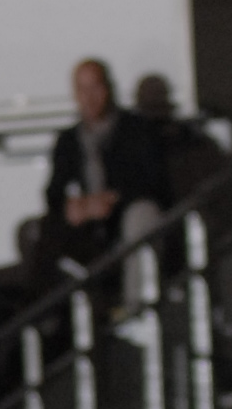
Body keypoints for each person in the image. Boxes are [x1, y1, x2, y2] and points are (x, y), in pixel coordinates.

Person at [38, 57, 169, 276]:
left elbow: (154, 183)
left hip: (124, 216)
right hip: (89, 226)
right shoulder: (69, 140)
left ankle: (136, 305)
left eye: (95, 88)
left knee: (141, 218)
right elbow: (53, 190)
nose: (89, 98)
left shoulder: (136, 130)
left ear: (108, 88)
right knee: (47, 233)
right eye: (82, 90)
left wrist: (112, 200)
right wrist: (72, 207)